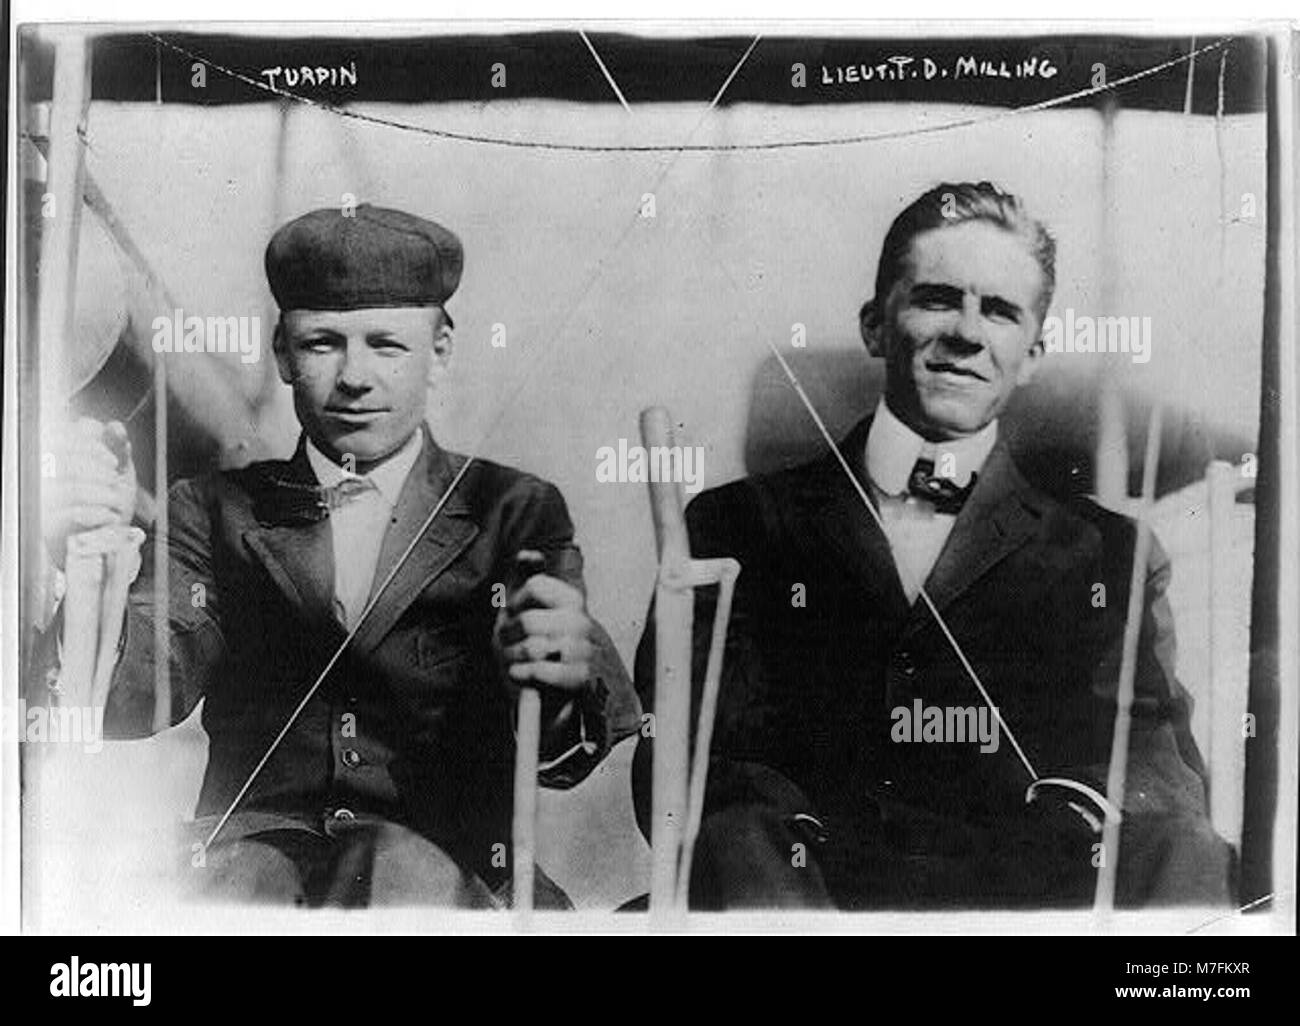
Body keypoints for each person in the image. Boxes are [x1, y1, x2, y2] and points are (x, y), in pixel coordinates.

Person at [632, 182, 1233, 909]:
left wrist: (1065, 826)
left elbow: (1153, 763)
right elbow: (693, 753)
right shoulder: (738, 527)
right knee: (732, 838)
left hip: (1028, 898)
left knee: (1187, 848)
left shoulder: (1108, 554)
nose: (967, 334)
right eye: (938, 299)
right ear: (875, 327)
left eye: (1001, 312)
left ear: (1033, 353)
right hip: (805, 894)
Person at [38, 203, 640, 908]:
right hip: (249, 872)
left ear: (440, 351)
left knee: (395, 873)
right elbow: (129, 701)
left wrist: (558, 684)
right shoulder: (210, 508)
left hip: (454, 876)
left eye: (387, 345)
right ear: (283, 355)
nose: (355, 376)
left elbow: (561, 757)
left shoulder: (514, 510)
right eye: (323, 343)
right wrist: (92, 564)